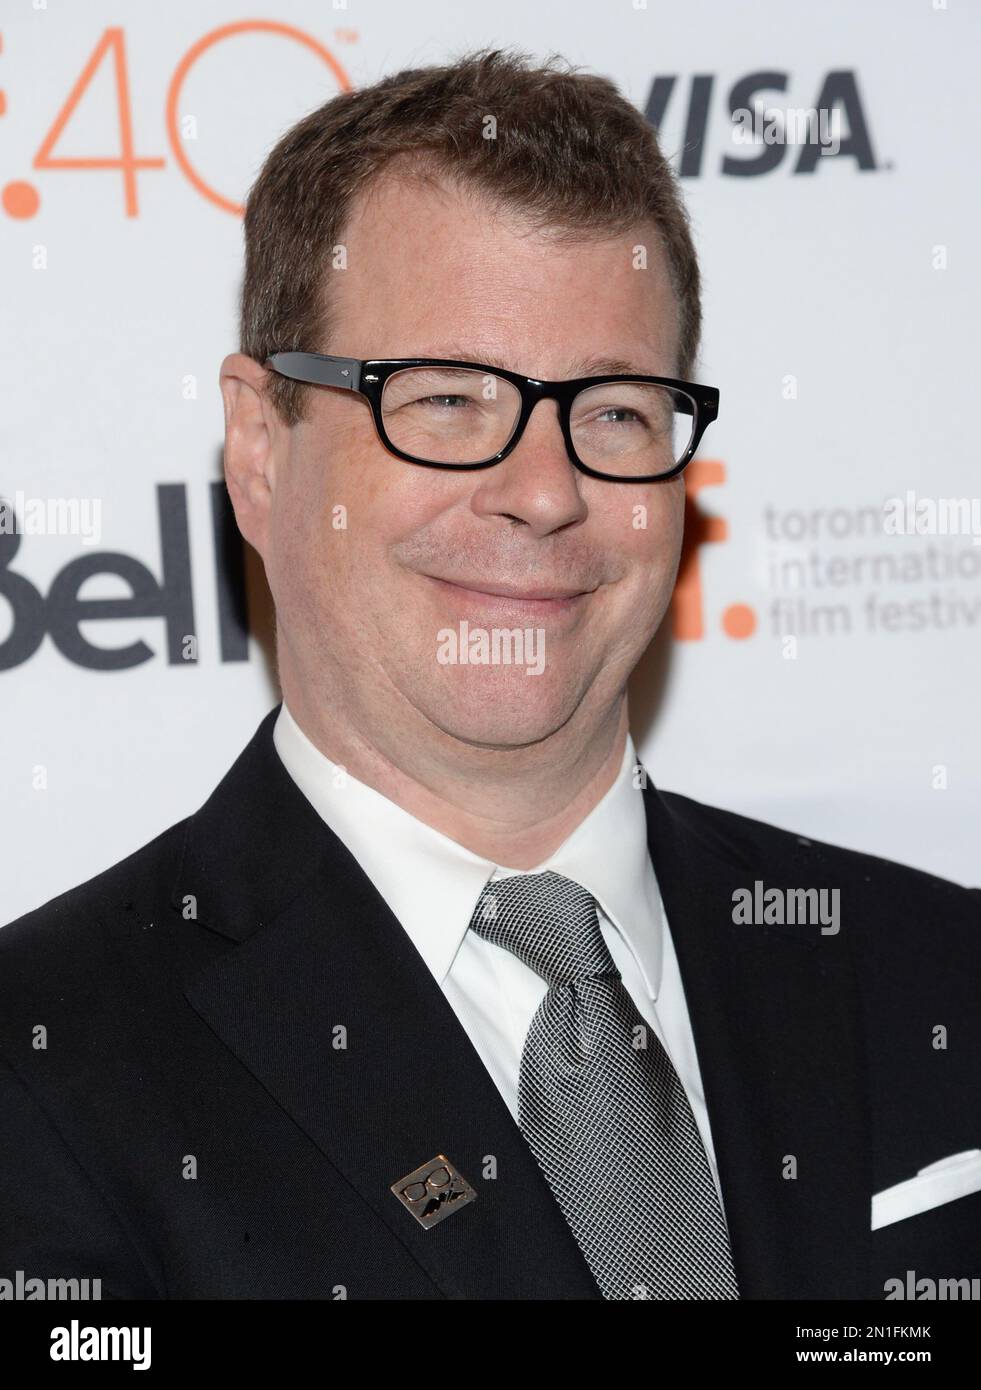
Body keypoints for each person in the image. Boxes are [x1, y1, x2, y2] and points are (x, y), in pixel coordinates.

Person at [2, 47, 979, 1302]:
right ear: (259, 449)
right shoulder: (47, 1070)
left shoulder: (935, 966)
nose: (546, 491)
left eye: (616, 409)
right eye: (449, 400)